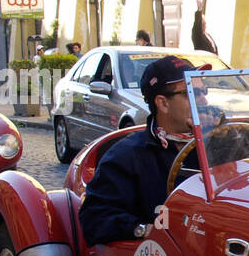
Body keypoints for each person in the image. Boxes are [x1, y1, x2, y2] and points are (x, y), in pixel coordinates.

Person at [79, 56, 205, 245]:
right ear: (163, 103)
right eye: (192, 93)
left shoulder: (219, 142)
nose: (203, 100)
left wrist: (223, 138)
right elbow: (94, 218)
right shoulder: (126, 157)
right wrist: (146, 230)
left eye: (204, 91)